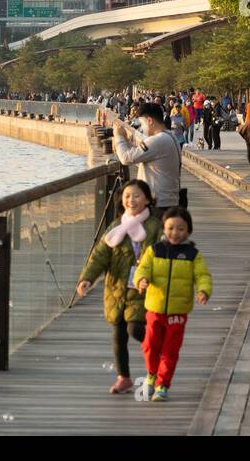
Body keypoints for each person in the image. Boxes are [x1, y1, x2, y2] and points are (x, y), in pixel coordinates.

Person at [77, 180, 163, 395]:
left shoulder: (154, 226)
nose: (131, 200)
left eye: (136, 196)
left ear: (148, 200)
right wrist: (87, 278)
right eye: (127, 196)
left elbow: (161, 255)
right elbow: (100, 255)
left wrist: (150, 274)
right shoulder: (116, 227)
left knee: (135, 328)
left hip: (143, 288)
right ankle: (123, 377)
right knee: (118, 334)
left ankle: (158, 356)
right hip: (116, 289)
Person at [134, 207, 212, 402]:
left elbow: (202, 275)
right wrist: (142, 279)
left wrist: (203, 290)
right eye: (170, 228)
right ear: (163, 228)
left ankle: (162, 384)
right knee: (150, 345)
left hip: (178, 311)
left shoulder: (192, 254)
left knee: (170, 350)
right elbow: (142, 268)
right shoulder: (154, 251)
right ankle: (152, 373)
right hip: (154, 308)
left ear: (188, 231)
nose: (175, 233)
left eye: (180, 229)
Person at [113, 102, 181, 210]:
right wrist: (126, 141)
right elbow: (140, 154)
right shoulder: (169, 136)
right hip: (167, 201)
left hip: (158, 204)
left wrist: (118, 137)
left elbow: (126, 158)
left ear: (149, 121)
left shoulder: (158, 140)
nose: (141, 128)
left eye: (142, 124)